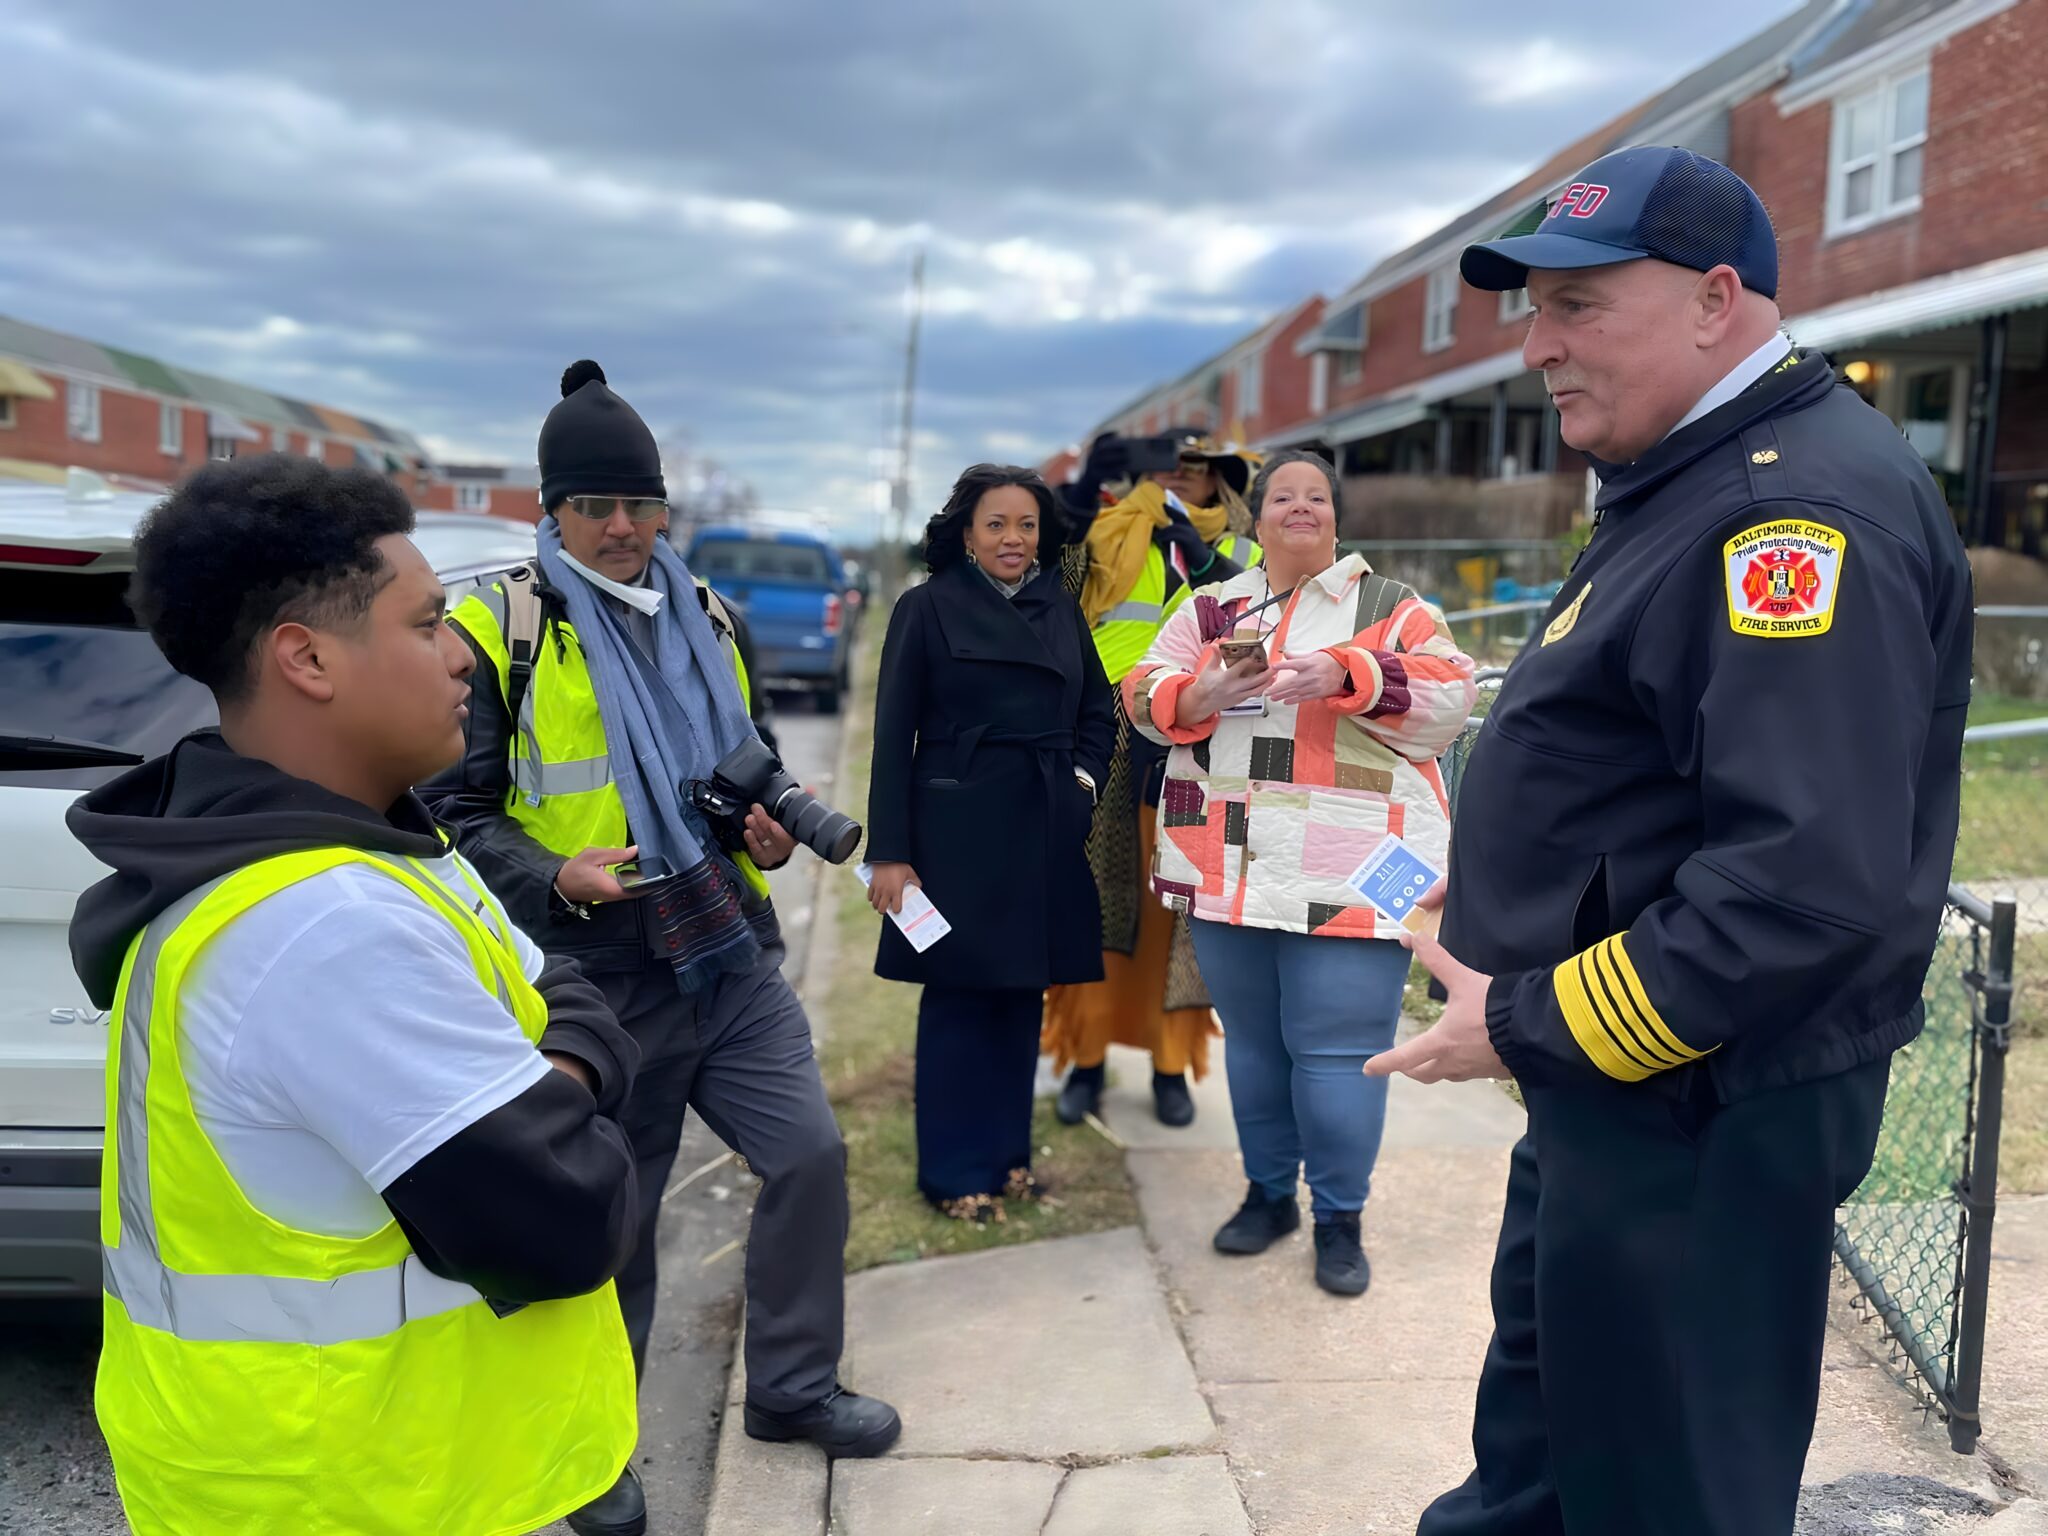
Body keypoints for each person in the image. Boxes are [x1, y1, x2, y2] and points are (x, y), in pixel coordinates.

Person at [1371, 148, 1973, 1535]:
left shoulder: (1786, 512)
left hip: (1697, 1113)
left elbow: (1798, 891)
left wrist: (1525, 1019)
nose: (1536, 350)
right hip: (1622, 1098)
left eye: (1577, 307)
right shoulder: (1689, 468)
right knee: (1544, 1452)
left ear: (1716, 301)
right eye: (1533, 313)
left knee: (1659, 1492)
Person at [66, 455, 642, 1535]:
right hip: (352, 1491)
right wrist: (568, 1079)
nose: (461, 657)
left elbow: (562, 986)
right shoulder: (323, 925)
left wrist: (549, 1072)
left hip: (379, 1475)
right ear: (308, 659)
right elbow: (571, 1218)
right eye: (427, 624)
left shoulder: (371, 844)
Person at [424, 362, 899, 1533]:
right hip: (589, 972)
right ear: (554, 510)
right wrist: (556, 877)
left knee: (808, 1157)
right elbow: (448, 815)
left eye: (642, 506)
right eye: (598, 506)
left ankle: (788, 1389)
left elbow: (743, 770)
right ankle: (601, 1447)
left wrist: (766, 837)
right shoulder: (498, 630)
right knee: (613, 1220)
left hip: (724, 951)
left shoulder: (709, 617)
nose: (625, 529)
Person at [1124, 448, 1475, 1293]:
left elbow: (1452, 697)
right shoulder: (1211, 608)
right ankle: (1270, 1195)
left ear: (1336, 516)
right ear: (1258, 516)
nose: (1299, 507)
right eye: (1282, 494)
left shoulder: (1392, 609)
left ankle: (1340, 1220)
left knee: (1339, 1054)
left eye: (1316, 495)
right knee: (1253, 1049)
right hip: (1227, 862)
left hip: (1359, 871)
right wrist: (1198, 694)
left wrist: (1352, 674)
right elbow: (1141, 694)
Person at [865, 465, 1116, 1219]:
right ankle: (951, 1173)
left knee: (1018, 1003)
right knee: (958, 1008)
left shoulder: (1060, 608)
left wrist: (1081, 785)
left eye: (1027, 525)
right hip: (952, 832)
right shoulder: (926, 607)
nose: (1014, 539)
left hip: (1041, 824)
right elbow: (890, 736)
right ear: (967, 533)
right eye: (997, 524)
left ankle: (1008, 1157)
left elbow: (1098, 715)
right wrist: (889, 851)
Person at [1044, 429, 1262, 1128]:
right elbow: (1056, 583)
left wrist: (1206, 563)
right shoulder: (1107, 528)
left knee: (1184, 914)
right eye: (1166, 460)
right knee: (1098, 897)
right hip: (1107, 728)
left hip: (1204, 741)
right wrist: (1077, 497)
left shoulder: (1247, 550)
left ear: (1220, 479)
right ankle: (1086, 1058)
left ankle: (1172, 1067)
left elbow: (1264, 618)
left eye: (1195, 466)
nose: (1178, 473)